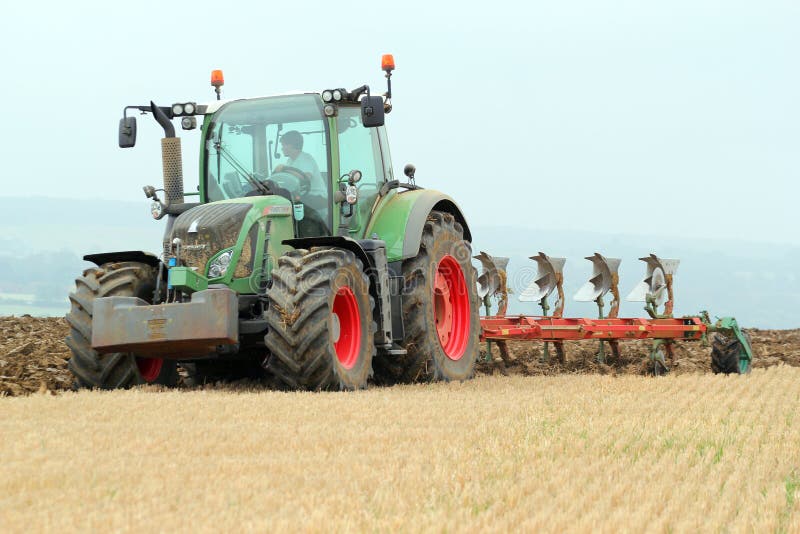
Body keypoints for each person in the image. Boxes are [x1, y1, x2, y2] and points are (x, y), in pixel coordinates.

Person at [274, 130, 324, 197]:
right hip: (302, 195)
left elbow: (306, 178)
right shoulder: (290, 161)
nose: (282, 148)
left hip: (316, 196)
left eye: (284, 145)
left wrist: (283, 169)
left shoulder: (306, 158)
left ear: (291, 145)